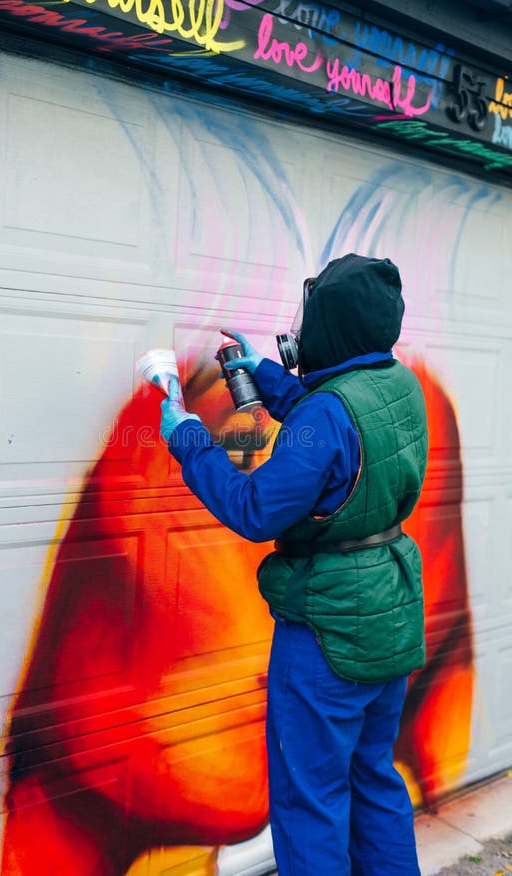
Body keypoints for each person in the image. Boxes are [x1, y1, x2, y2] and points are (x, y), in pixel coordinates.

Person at [159, 253, 428, 875]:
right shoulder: (397, 383)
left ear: (332, 325)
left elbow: (255, 510)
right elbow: (333, 416)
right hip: (390, 611)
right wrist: (259, 374)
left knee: (311, 800)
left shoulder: (326, 416)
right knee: (373, 781)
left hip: (329, 631)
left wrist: (186, 436)